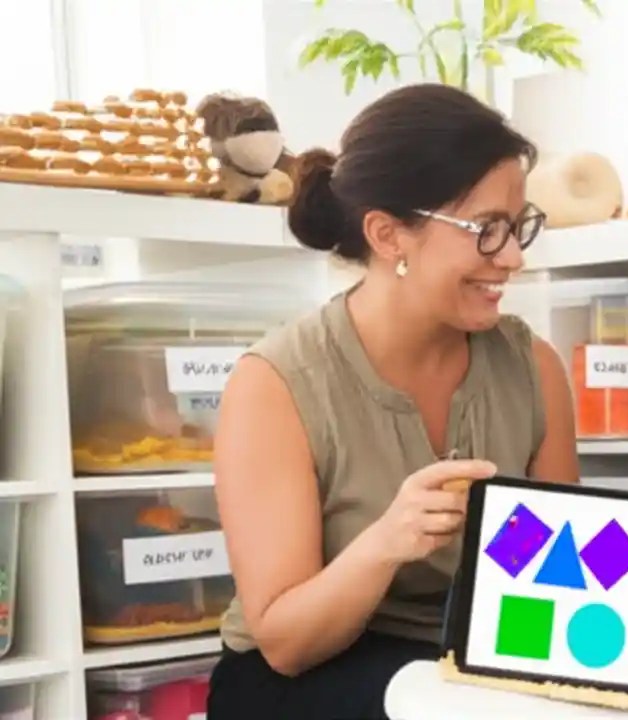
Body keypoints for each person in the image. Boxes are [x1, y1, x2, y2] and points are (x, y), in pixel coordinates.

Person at [207, 83, 580, 720]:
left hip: (472, 665)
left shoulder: (532, 368)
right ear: (387, 235)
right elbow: (285, 644)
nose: (513, 257)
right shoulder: (275, 383)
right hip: (311, 674)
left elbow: (561, 585)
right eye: (487, 229)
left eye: (518, 227)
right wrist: (387, 541)